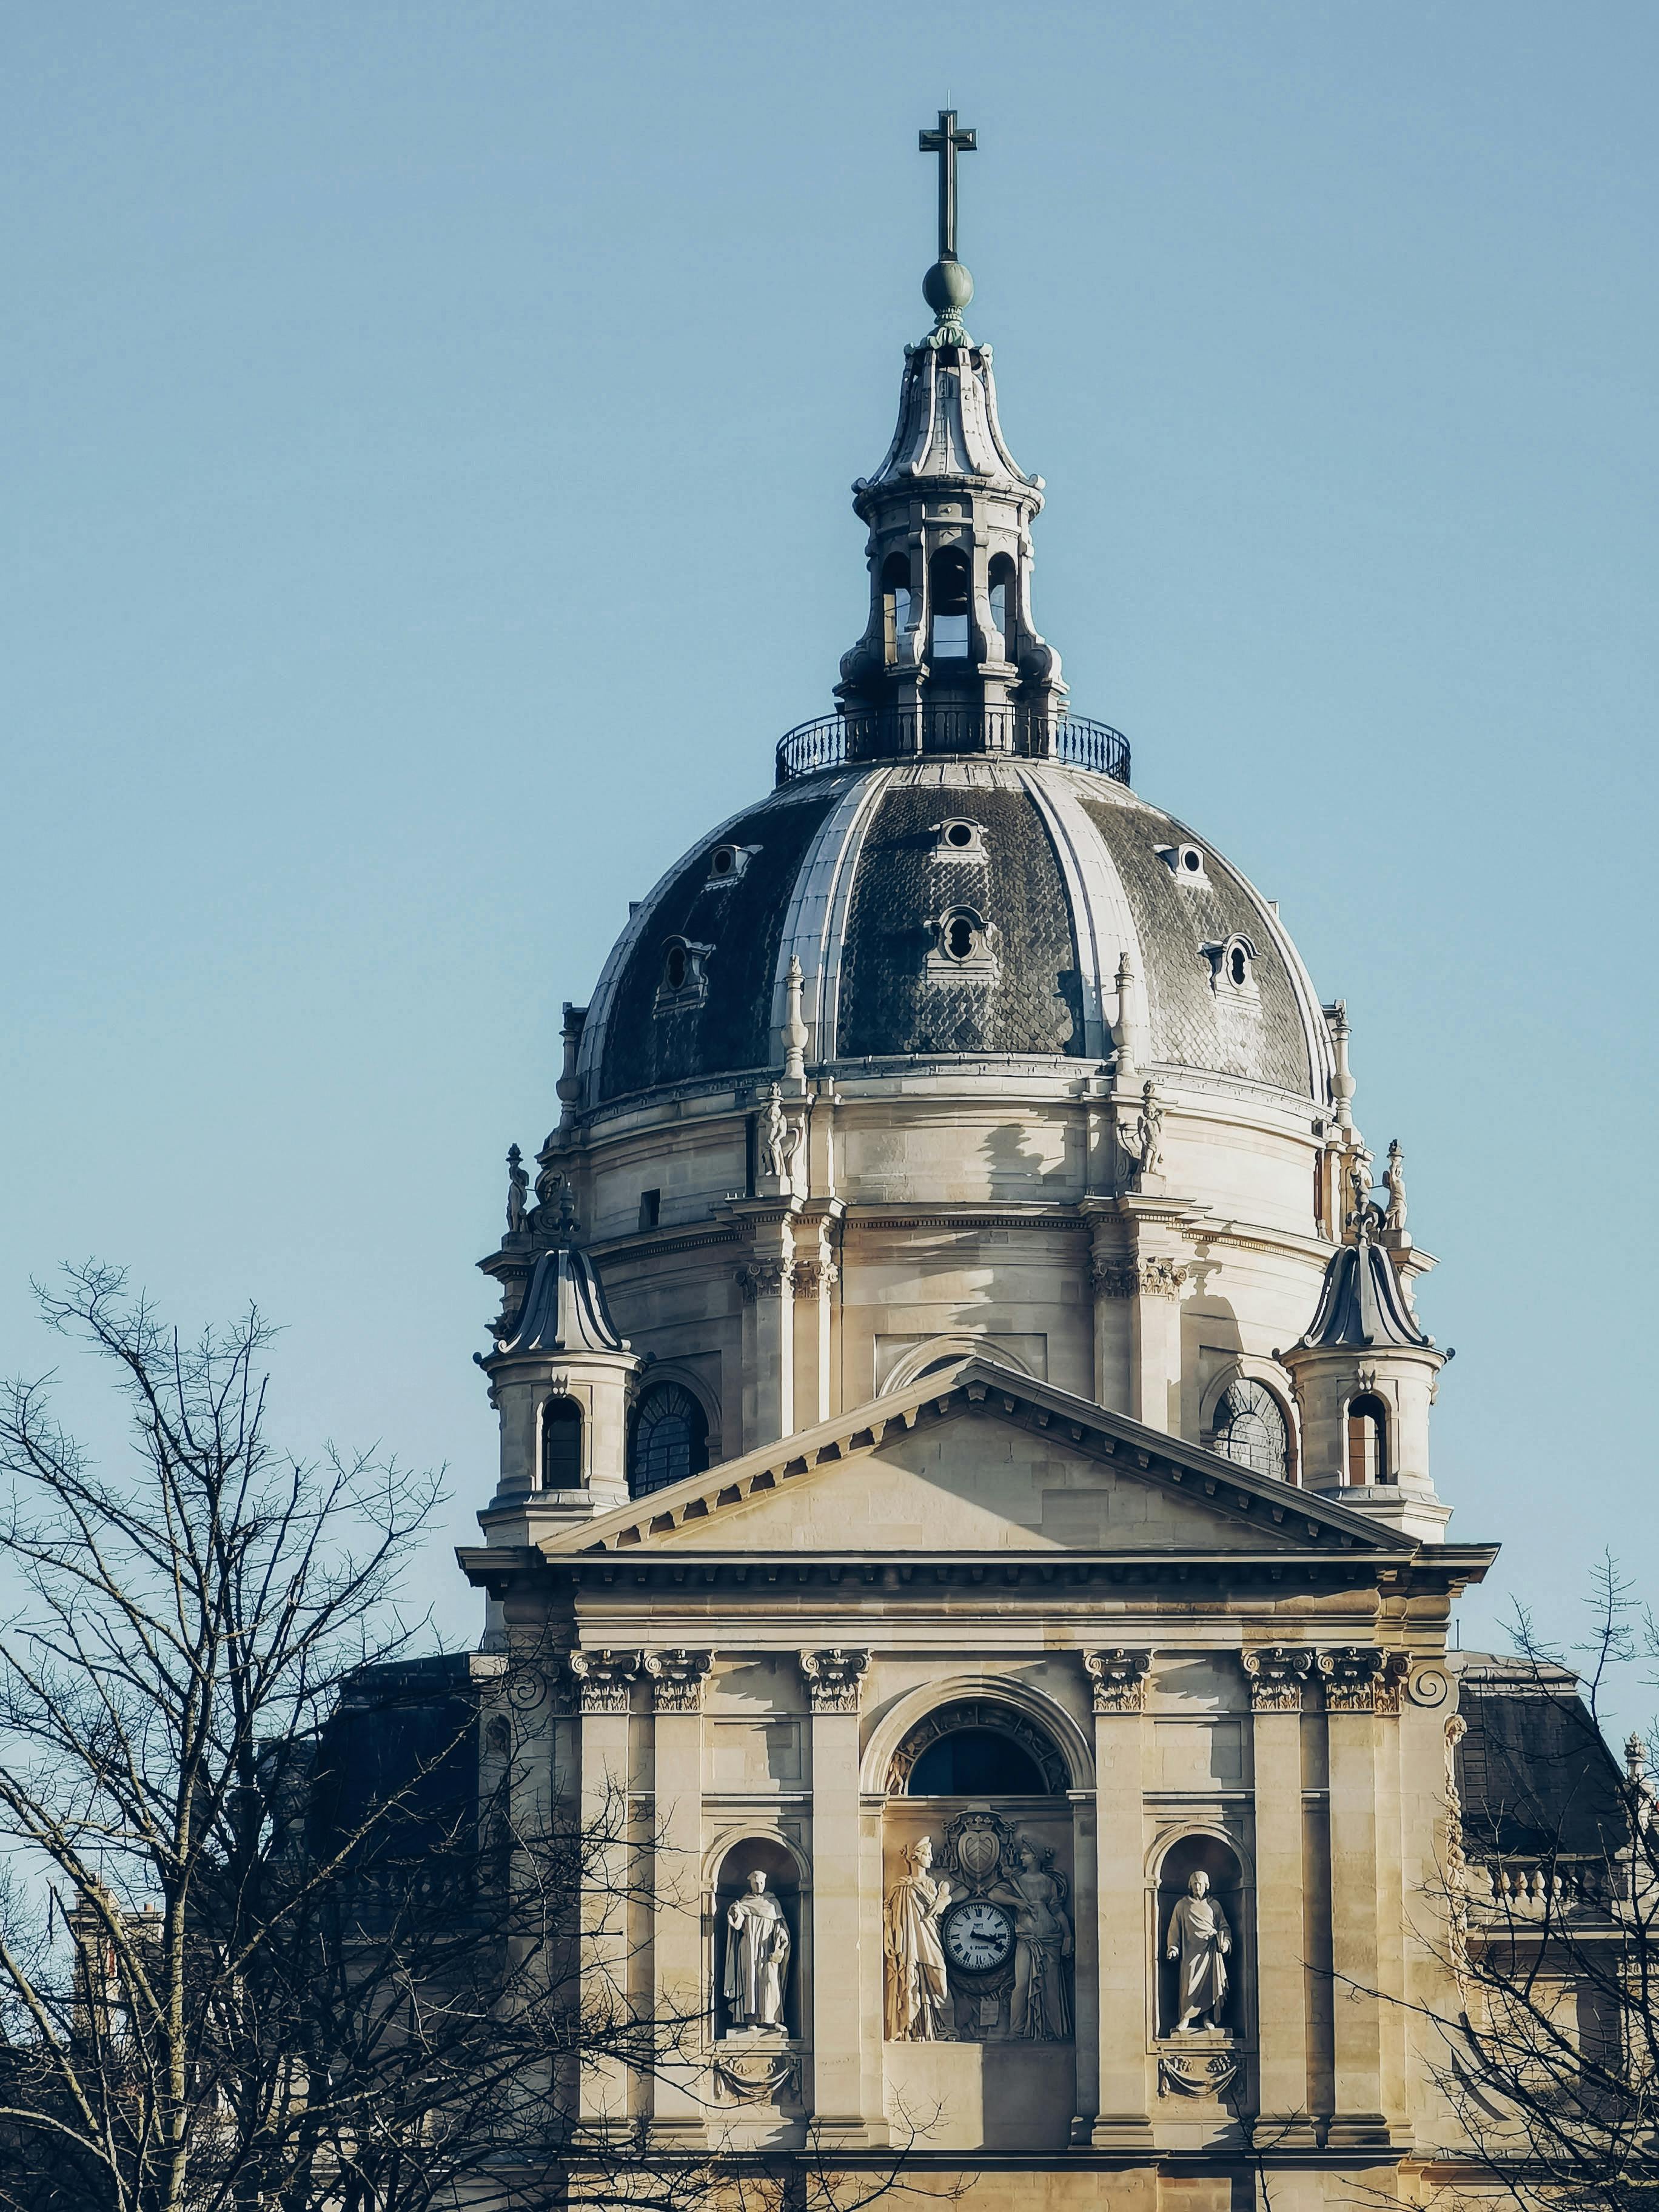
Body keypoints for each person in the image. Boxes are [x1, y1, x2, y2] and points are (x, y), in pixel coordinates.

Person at [988, 1835, 1073, 2039]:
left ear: (1035, 1856)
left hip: (1050, 1937)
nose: (1021, 1857)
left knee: (1051, 1985)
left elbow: (1057, 1911)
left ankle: (1051, 2029)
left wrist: (1068, 1937)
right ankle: (1016, 2030)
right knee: (1022, 1985)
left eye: (1025, 1854)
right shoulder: (1016, 1881)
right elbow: (993, 1895)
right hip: (1026, 1938)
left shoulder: (1049, 1882)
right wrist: (1016, 1901)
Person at [884, 1836, 953, 2040]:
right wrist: (889, 1938)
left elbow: (953, 1890)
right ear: (916, 1856)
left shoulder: (933, 1884)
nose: (931, 1858)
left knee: (938, 1975)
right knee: (911, 1978)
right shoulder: (900, 1886)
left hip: (930, 1936)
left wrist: (945, 1899)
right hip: (909, 1941)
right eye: (927, 1854)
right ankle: (913, 2028)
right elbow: (891, 1917)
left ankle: (941, 2027)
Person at [723, 1868, 791, 2030]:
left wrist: (782, 1935)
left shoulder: (772, 1903)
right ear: (751, 1884)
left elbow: (779, 1924)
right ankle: (751, 2020)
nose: (759, 1885)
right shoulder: (743, 1903)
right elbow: (737, 1926)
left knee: (770, 1981)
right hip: (749, 1948)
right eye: (756, 1883)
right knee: (750, 1983)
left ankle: (772, 2019)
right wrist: (734, 1913)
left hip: (767, 1948)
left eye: (761, 1882)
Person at [1165, 1868, 1232, 2033]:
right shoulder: (1182, 1905)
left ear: (1207, 1885)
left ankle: (1206, 2018)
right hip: (1190, 1953)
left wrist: (1225, 1943)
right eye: (1194, 1883)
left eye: (1200, 1884)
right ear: (1190, 1885)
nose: (1197, 1887)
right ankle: (1185, 2017)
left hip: (1210, 1952)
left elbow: (1224, 1926)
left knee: (1209, 1986)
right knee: (1188, 1985)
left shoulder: (1214, 1906)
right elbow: (1174, 1929)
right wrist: (1173, 1947)